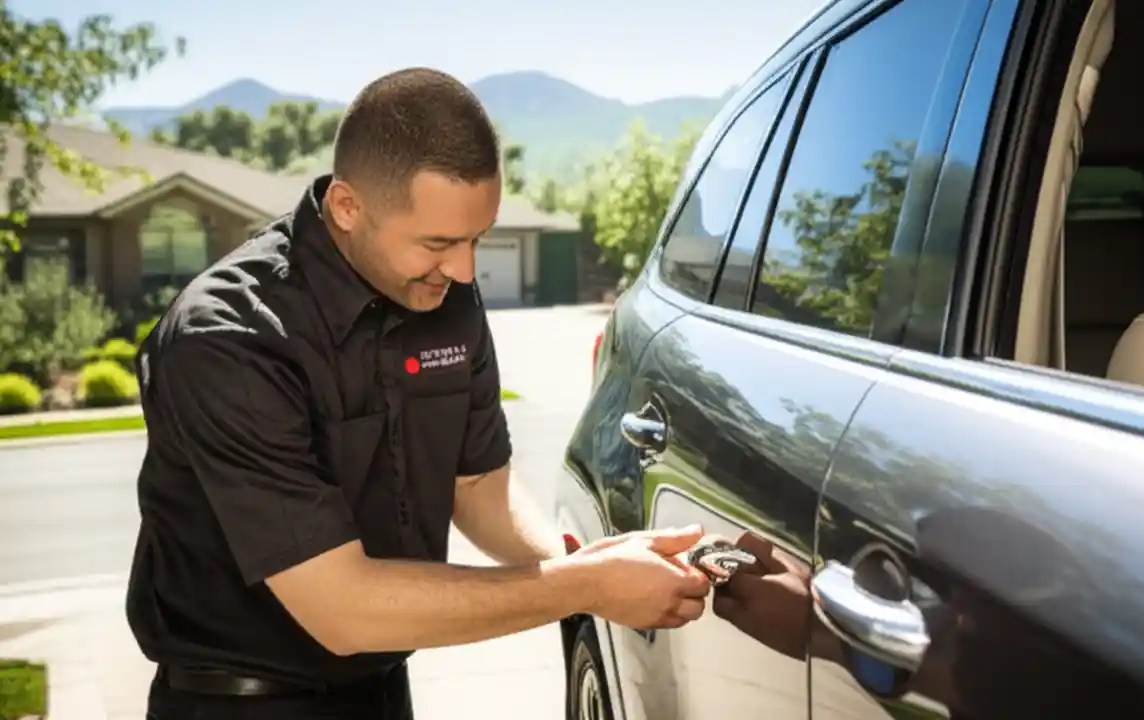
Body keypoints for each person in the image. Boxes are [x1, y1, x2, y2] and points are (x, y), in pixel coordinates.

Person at [125, 66, 712, 720]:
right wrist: (585, 587)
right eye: (438, 244)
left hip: (382, 693)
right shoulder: (230, 338)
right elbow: (342, 610)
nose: (463, 271)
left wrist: (581, 561)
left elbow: (479, 490)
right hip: (240, 705)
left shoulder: (444, 293)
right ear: (348, 207)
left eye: (476, 240)